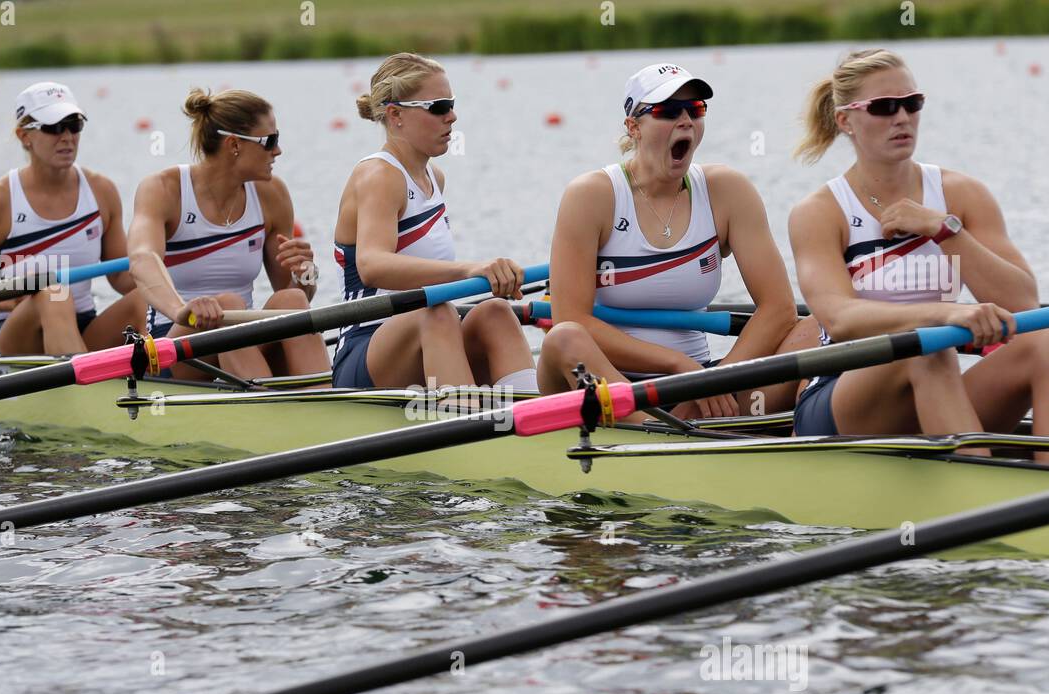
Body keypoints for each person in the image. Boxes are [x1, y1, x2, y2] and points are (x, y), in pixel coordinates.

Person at [789, 49, 1049, 464]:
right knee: (927, 347)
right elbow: (840, 318)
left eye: (913, 103)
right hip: (843, 404)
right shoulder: (820, 212)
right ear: (845, 120)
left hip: (935, 381)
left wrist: (944, 230)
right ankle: (980, 495)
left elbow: (1023, 303)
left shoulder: (962, 194)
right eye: (884, 108)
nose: (902, 118)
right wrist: (942, 315)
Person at [536, 63, 814, 421]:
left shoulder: (727, 191)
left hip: (704, 386)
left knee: (817, 325)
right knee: (564, 338)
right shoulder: (591, 196)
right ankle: (659, 431)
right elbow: (570, 317)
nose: (685, 121)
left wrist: (714, 378)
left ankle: (781, 427)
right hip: (611, 383)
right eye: (668, 111)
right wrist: (676, 365)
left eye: (695, 110)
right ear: (633, 127)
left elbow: (778, 309)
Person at [330, 52, 537, 393]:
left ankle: (533, 422)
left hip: (426, 339)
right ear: (395, 115)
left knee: (497, 312)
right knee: (437, 312)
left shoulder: (434, 177)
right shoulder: (379, 175)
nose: (452, 117)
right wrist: (469, 270)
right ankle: (467, 426)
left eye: (452, 104)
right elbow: (371, 265)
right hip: (365, 352)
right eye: (439, 107)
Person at [127, 88, 329, 382]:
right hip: (176, 345)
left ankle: (323, 399)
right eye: (269, 141)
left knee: (293, 299)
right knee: (229, 304)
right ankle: (268, 407)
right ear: (234, 144)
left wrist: (306, 275)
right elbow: (142, 259)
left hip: (239, 336)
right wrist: (180, 309)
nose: (277, 151)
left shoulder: (272, 194)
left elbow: (290, 289)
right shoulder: (164, 189)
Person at [0, 81, 146, 356]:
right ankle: (84, 391)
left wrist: (169, 273)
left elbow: (121, 276)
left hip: (83, 325)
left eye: (74, 125)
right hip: (13, 334)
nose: (67, 137)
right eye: (53, 127)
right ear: (24, 136)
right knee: (51, 292)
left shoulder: (101, 191)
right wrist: (8, 298)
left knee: (143, 299)